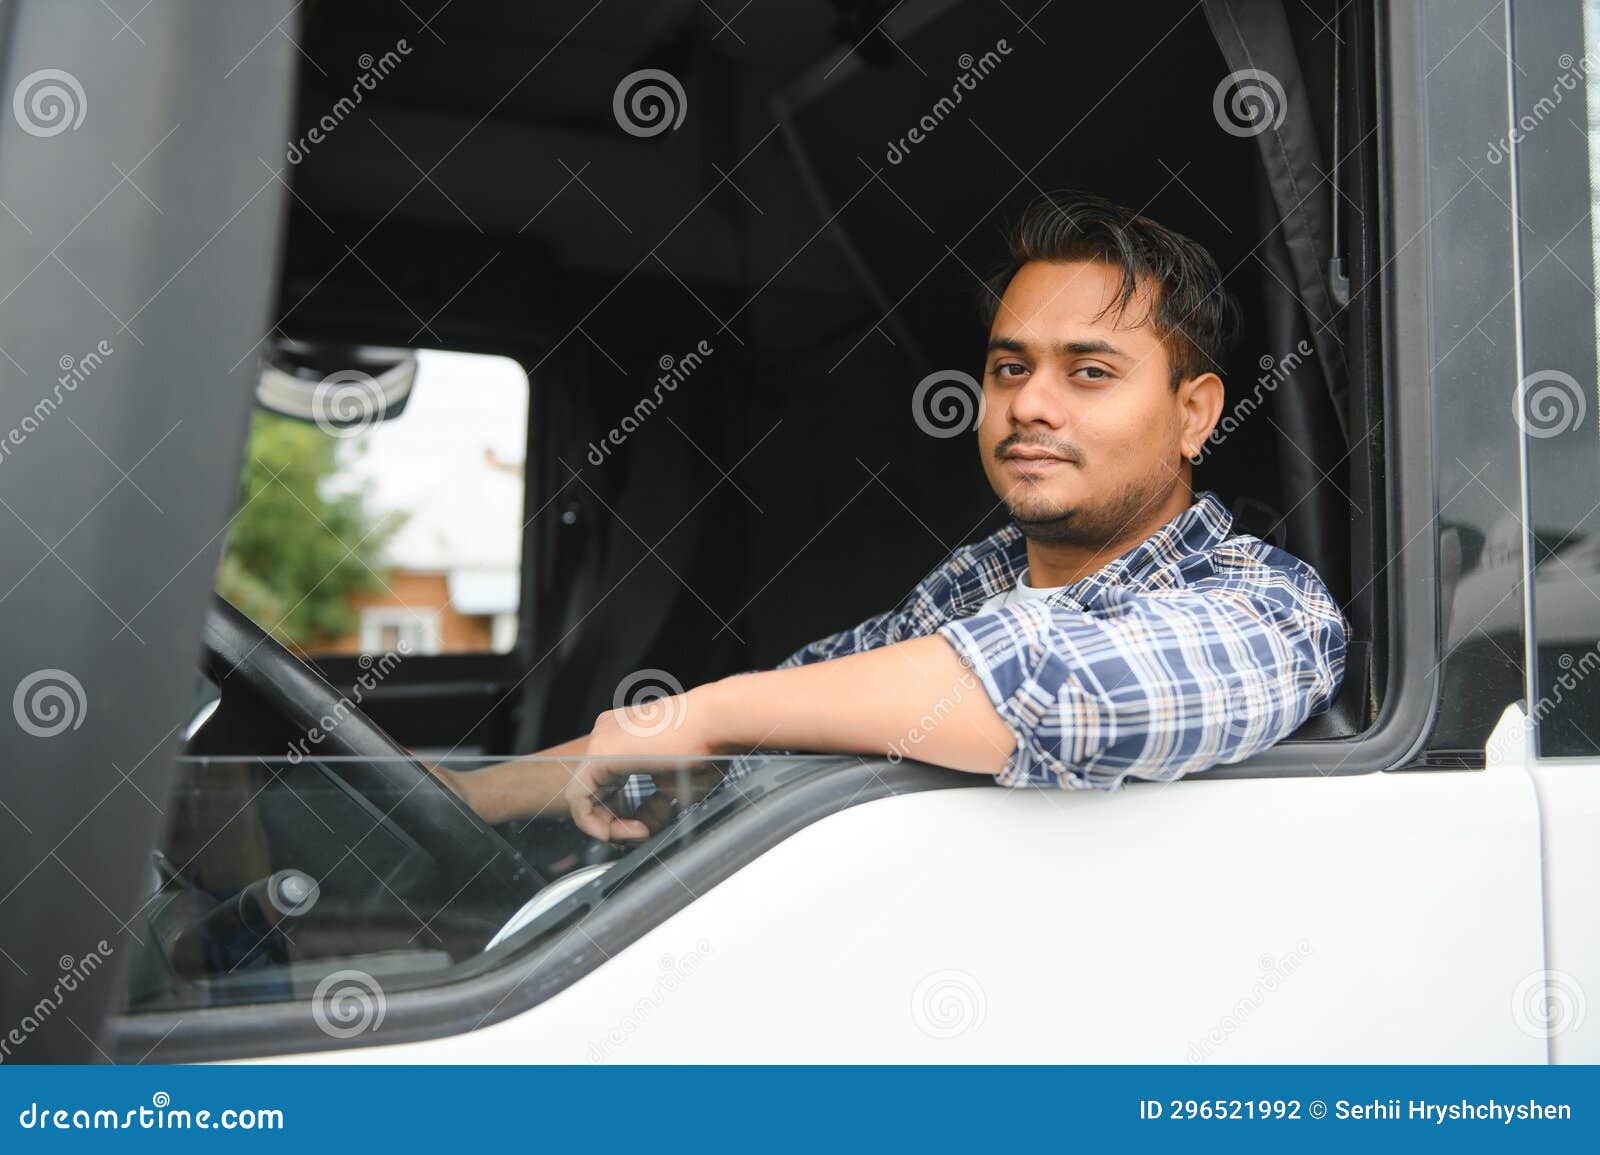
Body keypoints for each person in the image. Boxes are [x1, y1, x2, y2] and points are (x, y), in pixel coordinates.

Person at [438, 190, 1348, 842]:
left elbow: (1053, 686)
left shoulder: (1271, 608)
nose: (1030, 404)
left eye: (1089, 372)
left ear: (1195, 414)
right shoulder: (980, 579)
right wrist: (466, 798)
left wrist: (709, 714)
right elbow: (797, 700)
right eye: (1010, 368)